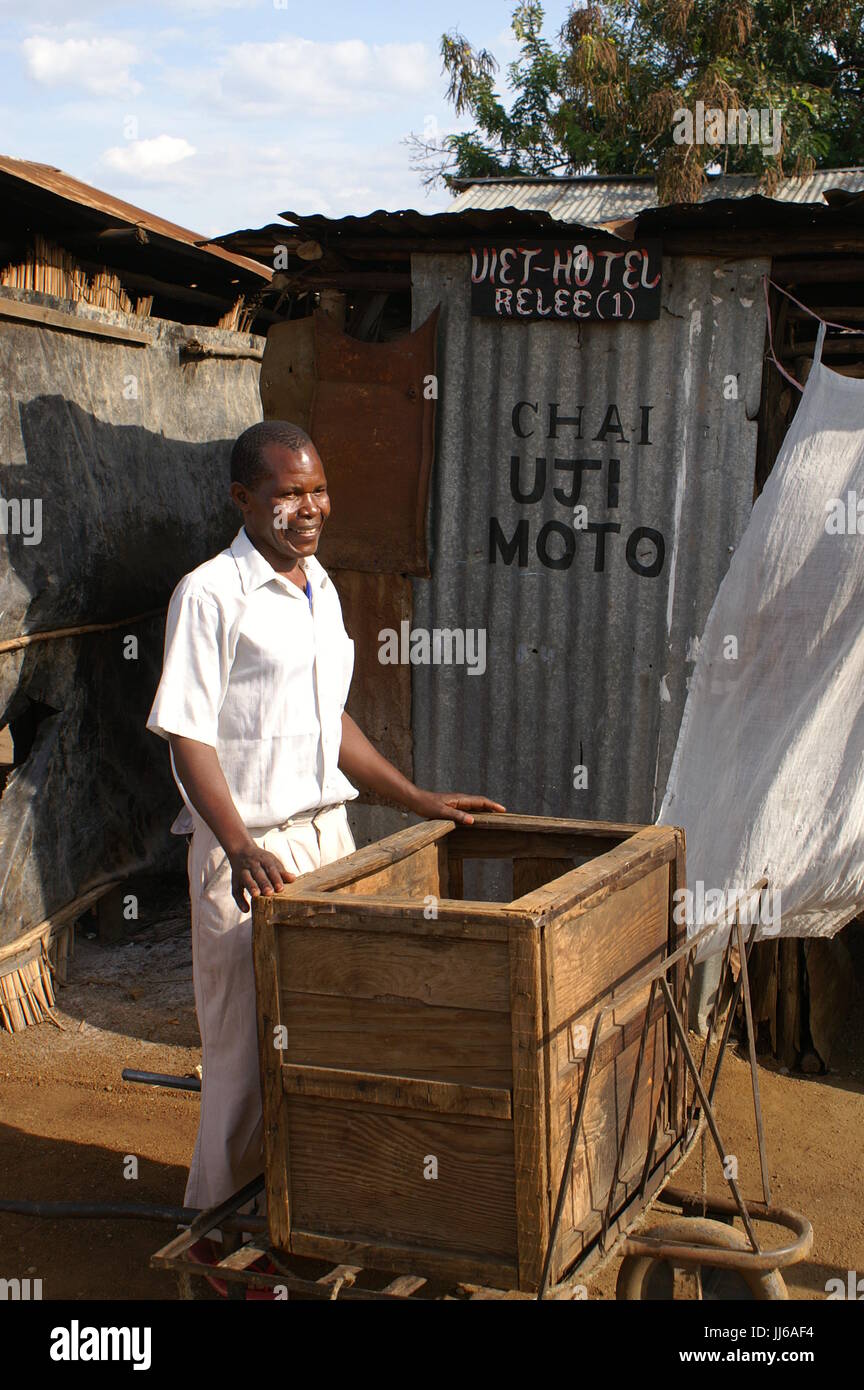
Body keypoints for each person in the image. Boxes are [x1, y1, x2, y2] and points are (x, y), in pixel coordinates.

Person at [147, 419, 504, 1240]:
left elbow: (327, 721)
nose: (311, 508)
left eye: (318, 490)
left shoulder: (320, 585)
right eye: (289, 494)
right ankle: (221, 1234)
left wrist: (413, 798)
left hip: (326, 842)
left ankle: (308, 1213)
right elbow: (188, 733)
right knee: (242, 1061)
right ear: (244, 500)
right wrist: (238, 846)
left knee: (326, 1044)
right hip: (249, 856)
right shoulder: (210, 595)